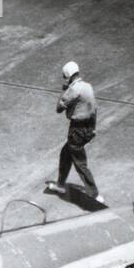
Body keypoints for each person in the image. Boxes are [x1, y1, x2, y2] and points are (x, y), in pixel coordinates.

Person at [46, 60, 102, 202]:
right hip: (89, 127)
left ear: (68, 75)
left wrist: (64, 90)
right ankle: (60, 185)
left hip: (77, 129)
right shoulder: (88, 86)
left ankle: (94, 193)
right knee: (65, 154)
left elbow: (59, 109)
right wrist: (93, 129)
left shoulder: (73, 90)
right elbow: (94, 109)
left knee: (79, 162)